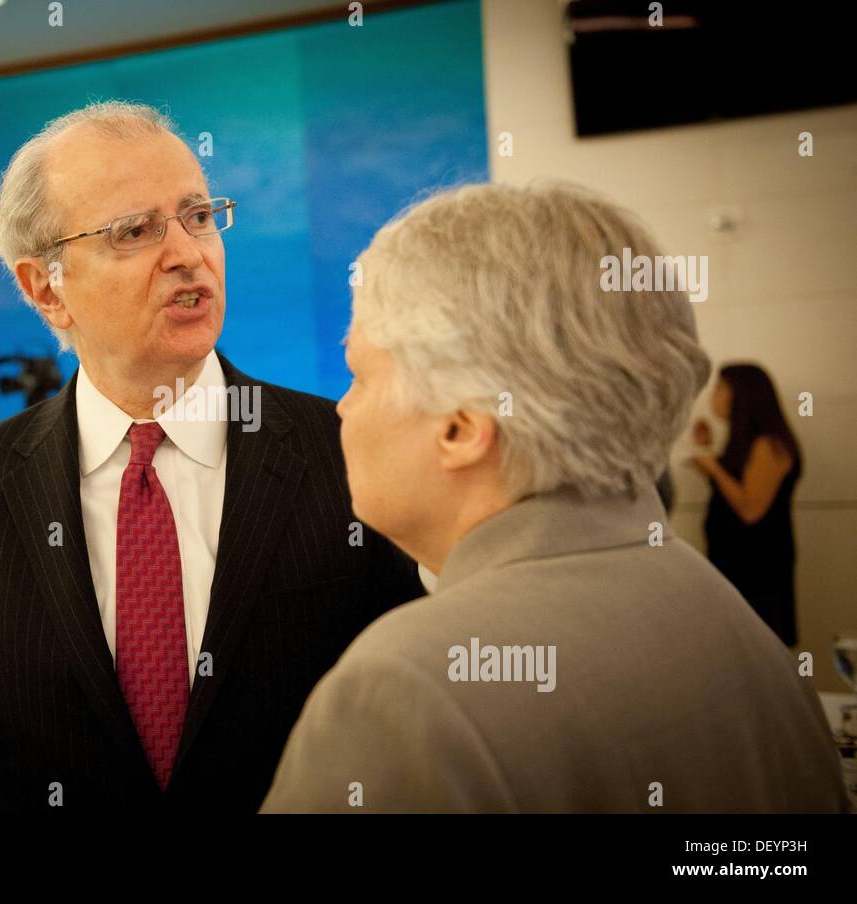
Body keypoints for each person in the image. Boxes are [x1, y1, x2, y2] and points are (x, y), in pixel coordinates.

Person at [0, 101, 423, 812]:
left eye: (199, 216)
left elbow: (413, 733)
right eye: (134, 231)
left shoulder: (344, 448)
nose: (187, 253)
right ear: (45, 287)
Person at [261, 182, 848, 813]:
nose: (342, 408)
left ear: (459, 427)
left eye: (359, 375)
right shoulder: (742, 632)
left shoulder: (408, 688)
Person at [692, 363, 802, 646]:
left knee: (758, 650)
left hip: (757, 571)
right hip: (737, 566)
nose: (712, 395)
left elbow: (750, 509)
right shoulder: (746, 443)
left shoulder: (768, 445)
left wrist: (713, 466)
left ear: (742, 395)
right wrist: (708, 454)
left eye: (720, 388)